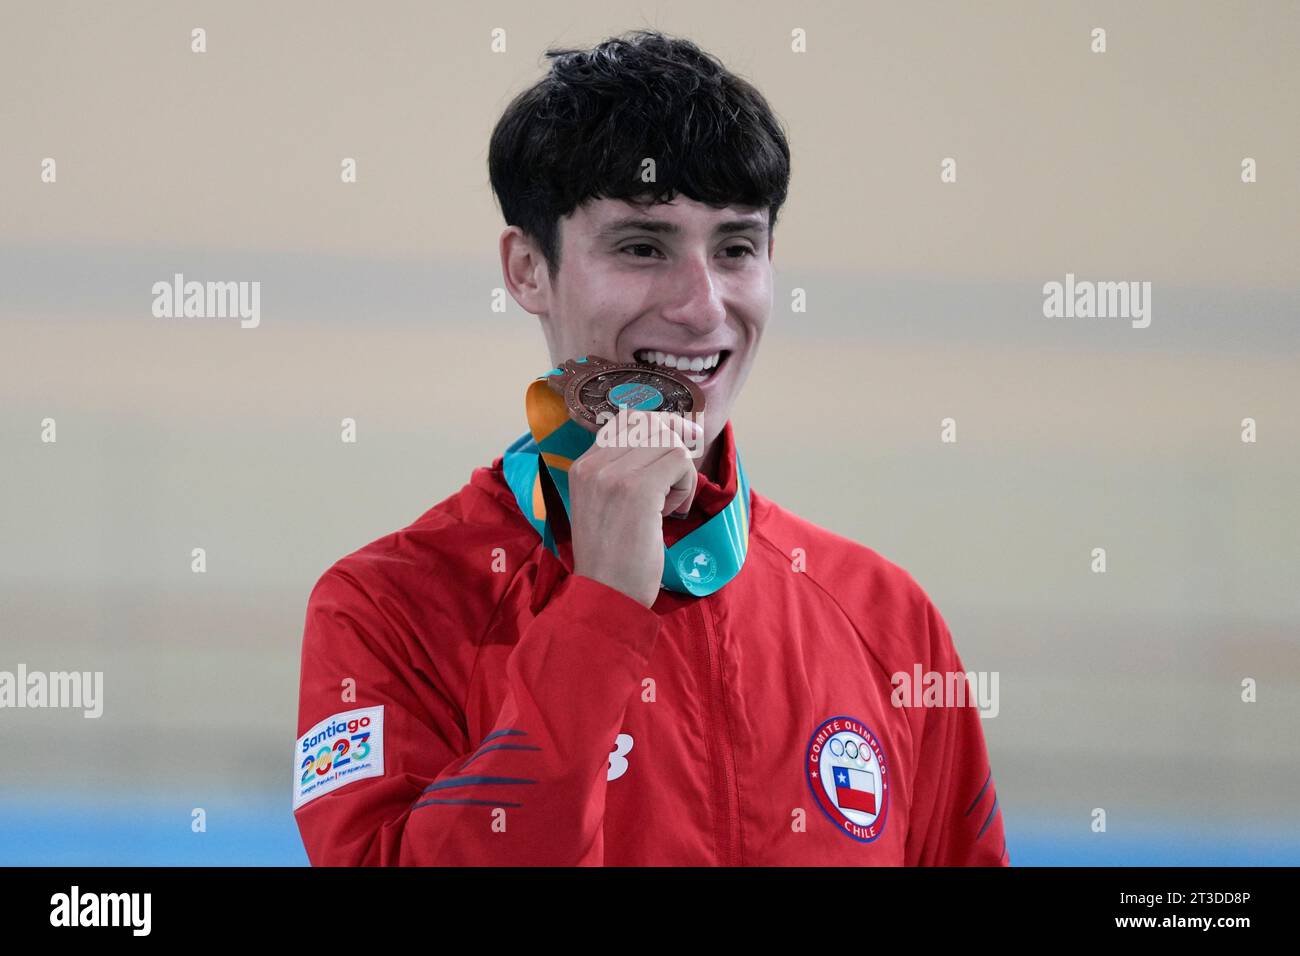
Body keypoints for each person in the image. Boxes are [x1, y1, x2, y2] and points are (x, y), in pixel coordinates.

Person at [292, 29, 1008, 866]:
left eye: (736, 248)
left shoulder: (887, 619)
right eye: (642, 247)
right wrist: (599, 612)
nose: (703, 307)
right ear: (528, 270)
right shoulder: (389, 609)